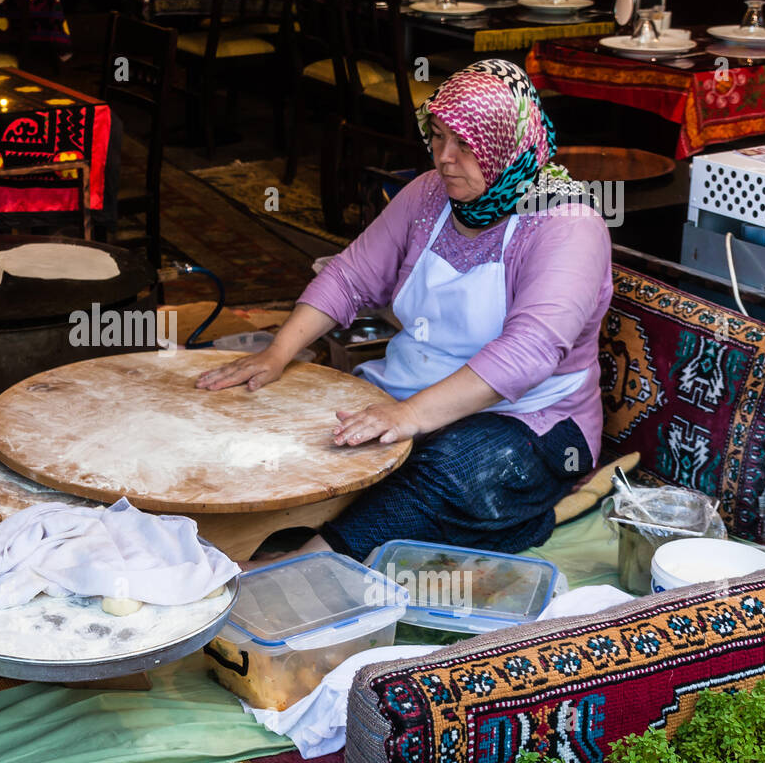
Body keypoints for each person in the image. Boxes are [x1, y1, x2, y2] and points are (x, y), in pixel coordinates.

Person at [197, 59, 611, 560]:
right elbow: (350, 276)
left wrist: (409, 416)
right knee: (300, 431)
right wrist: (278, 353)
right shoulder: (429, 196)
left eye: (465, 145)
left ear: (508, 144)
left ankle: (304, 564)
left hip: (529, 420)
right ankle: (240, 533)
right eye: (436, 138)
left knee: (444, 472)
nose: (444, 158)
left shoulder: (566, 226)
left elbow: (530, 352)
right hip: (406, 394)